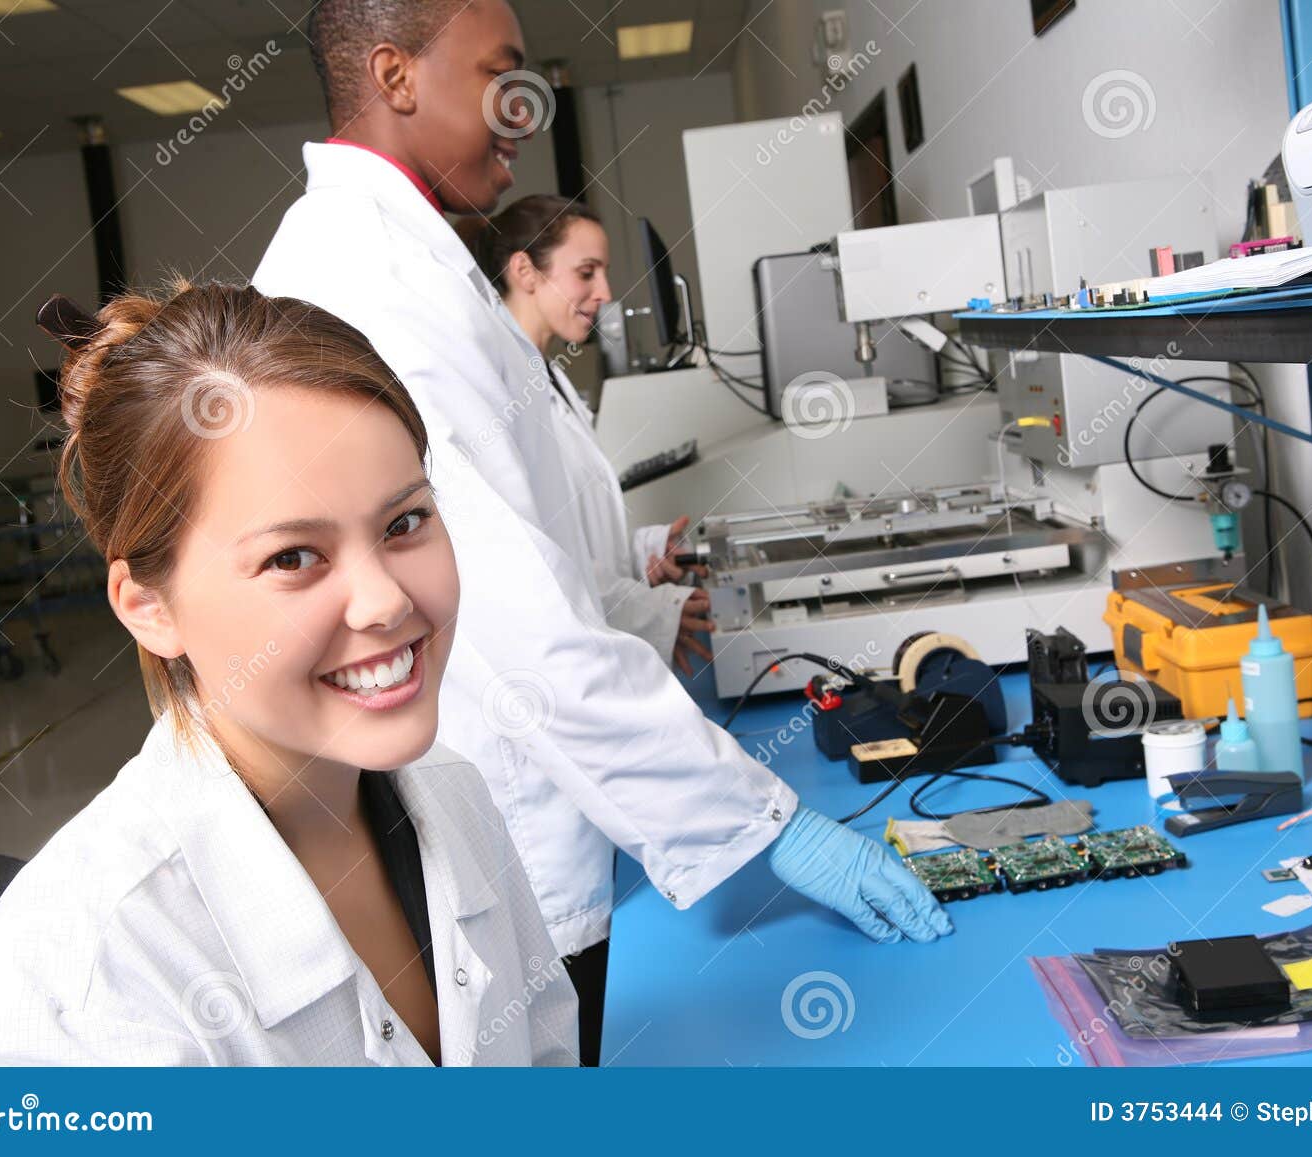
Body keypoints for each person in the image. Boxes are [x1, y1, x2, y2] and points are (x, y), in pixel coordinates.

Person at [254, 0, 950, 1066]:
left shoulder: (413, 263)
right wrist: (763, 818)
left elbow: (547, 561)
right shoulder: (372, 284)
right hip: (480, 822)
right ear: (395, 76)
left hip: (506, 805)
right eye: (500, 76)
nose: (524, 113)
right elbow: (507, 604)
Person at [0, 281, 577, 1067]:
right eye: (293, 557)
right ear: (149, 606)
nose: (385, 601)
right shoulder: (81, 1000)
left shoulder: (455, 797)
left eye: (405, 521)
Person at [466, 194, 710, 675]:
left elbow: (578, 532)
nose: (604, 292)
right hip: (561, 668)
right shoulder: (502, 395)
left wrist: (643, 552)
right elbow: (544, 561)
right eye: (586, 273)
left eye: (604, 273)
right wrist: (653, 613)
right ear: (525, 271)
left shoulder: (551, 378)